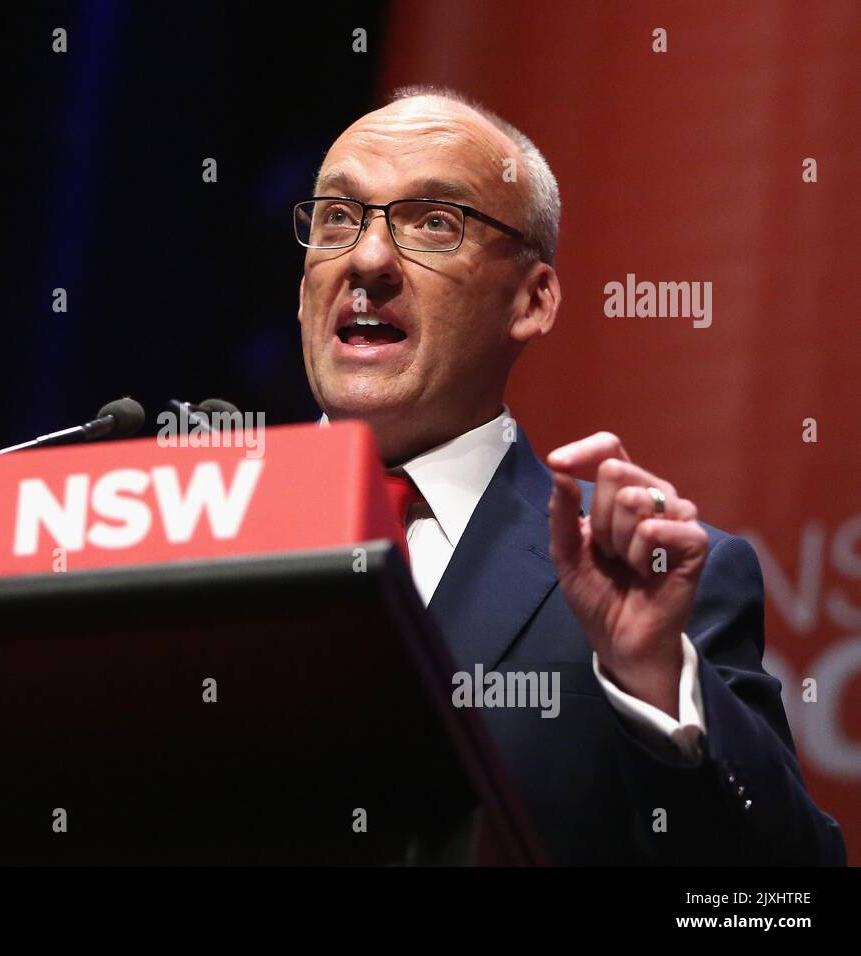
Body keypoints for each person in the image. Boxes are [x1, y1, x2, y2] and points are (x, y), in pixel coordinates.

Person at [294, 84, 846, 865]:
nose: (369, 258)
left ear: (533, 300)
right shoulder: (187, 530)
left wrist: (653, 680)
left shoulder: (643, 583)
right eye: (338, 218)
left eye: (435, 224)